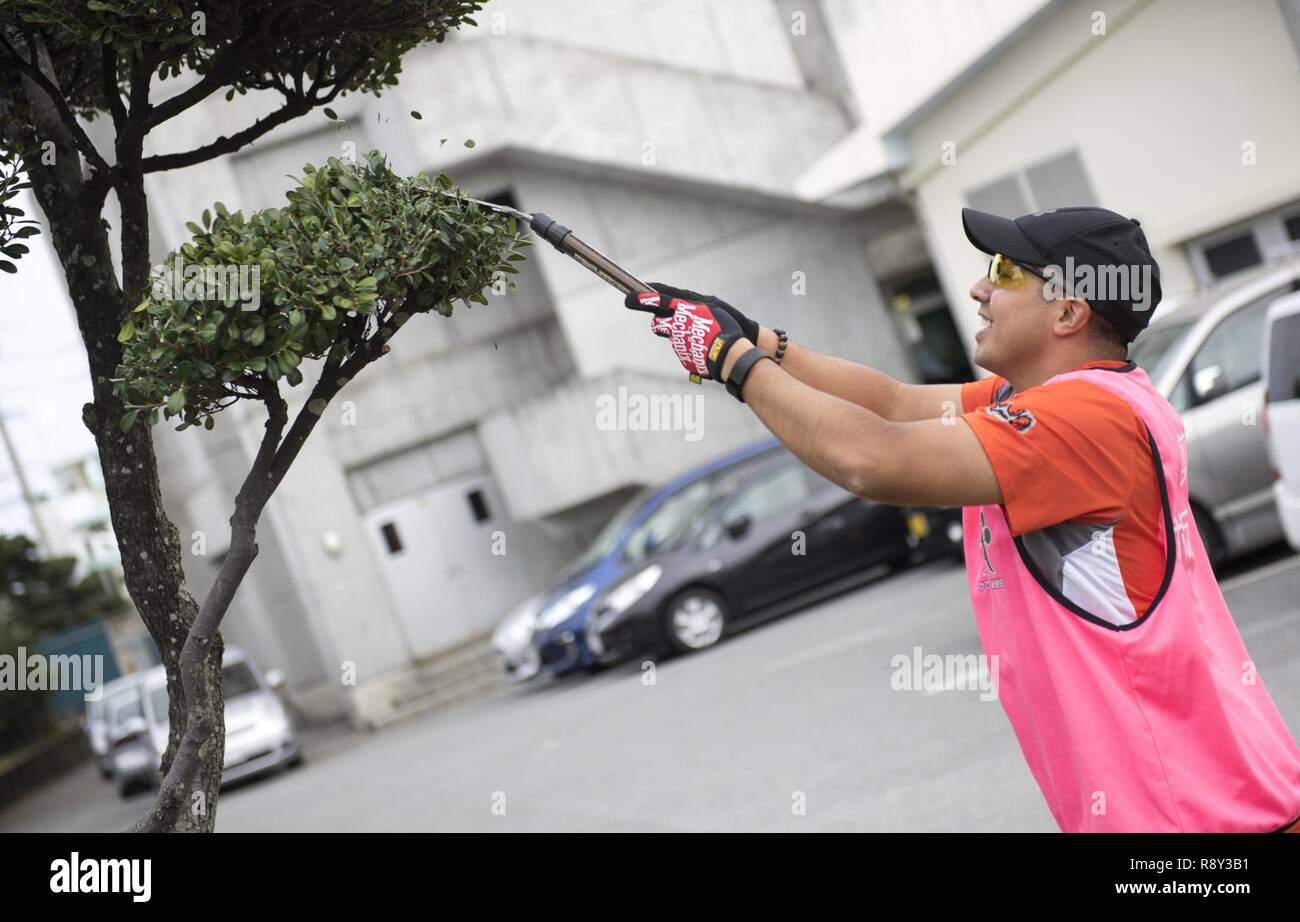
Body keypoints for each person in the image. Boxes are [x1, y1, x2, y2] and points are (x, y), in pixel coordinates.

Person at [625, 205, 1300, 833]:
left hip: (1197, 821)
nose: (979, 290)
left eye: (1004, 272)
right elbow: (892, 405)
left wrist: (732, 362)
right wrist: (756, 338)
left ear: (1068, 311)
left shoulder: (1086, 420)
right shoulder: (1050, 398)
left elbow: (872, 459)